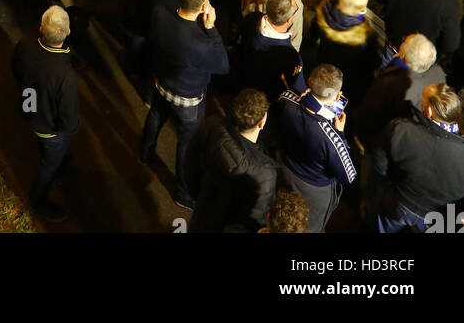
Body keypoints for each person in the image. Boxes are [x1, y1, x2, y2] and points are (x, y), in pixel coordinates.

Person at [139, 0, 229, 206]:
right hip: (188, 99)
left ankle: (145, 153)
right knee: (186, 145)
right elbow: (223, 66)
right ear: (203, 8)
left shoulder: (160, 14)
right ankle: (184, 193)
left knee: (156, 117)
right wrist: (212, 30)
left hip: (161, 84)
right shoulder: (203, 43)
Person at [10, 6, 80, 222]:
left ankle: (53, 158)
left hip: (29, 112)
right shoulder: (64, 75)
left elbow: (16, 70)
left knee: (48, 151)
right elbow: (68, 118)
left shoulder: (25, 45)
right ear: (68, 33)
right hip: (49, 129)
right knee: (49, 165)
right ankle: (37, 200)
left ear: (41, 29)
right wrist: (70, 129)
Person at [371, 84, 464, 233]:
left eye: (423, 99)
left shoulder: (400, 129)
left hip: (398, 205)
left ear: (428, 111)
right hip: (436, 219)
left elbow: (378, 166)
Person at [182, 88, 277, 233]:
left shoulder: (212, 125)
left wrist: (199, 196)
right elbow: (255, 218)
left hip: (203, 214)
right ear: (262, 121)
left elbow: (190, 164)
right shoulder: (265, 173)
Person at [277, 64, 357, 233]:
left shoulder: (286, 99)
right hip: (313, 190)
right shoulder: (331, 137)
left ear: (309, 81)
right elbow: (349, 175)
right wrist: (341, 133)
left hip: (285, 169)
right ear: (335, 97)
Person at [353, 34, 445, 150]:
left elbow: (370, 112)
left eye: (404, 41)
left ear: (403, 54)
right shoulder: (439, 74)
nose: (402, 41)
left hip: (380, 141)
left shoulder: (391, 83)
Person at [236, 0, 304, 102]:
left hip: (242, 79)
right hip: (265, 99)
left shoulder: (252, 18)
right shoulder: (291, 57)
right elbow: (296, 92)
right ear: (289, 19)